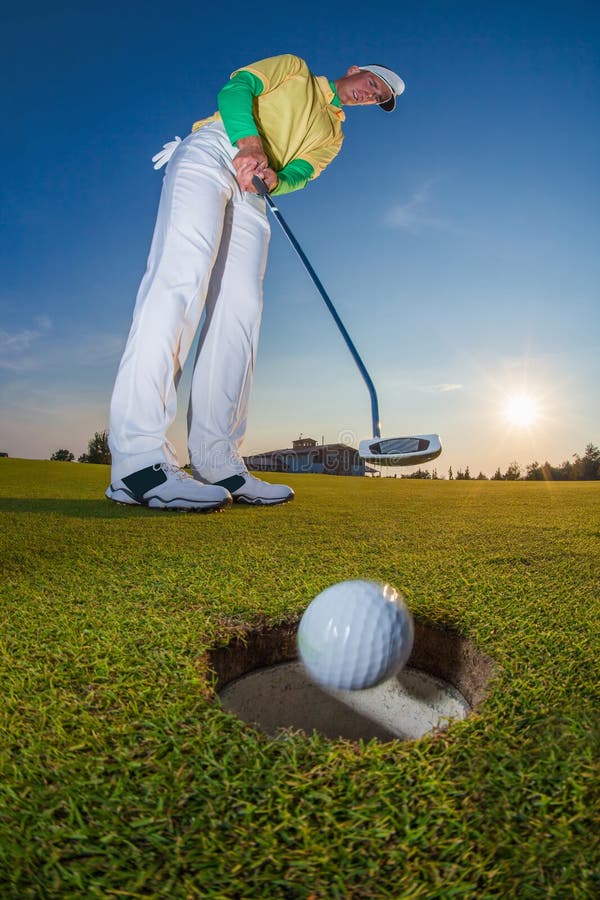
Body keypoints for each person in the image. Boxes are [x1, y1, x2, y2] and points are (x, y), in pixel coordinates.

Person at [106, 56, 405, 511]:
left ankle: (216, 460)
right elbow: (236, 90)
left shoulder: (334, 138)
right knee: (180, 284)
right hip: (214, 151)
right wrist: (249, 144)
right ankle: (137, 461)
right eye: (373, 83)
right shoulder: (294, 69)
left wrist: (276, 178)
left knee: (241, 312)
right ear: (355, 69)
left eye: (379, 97)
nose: (371, 94)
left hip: (253, 192)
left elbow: (301, 173)